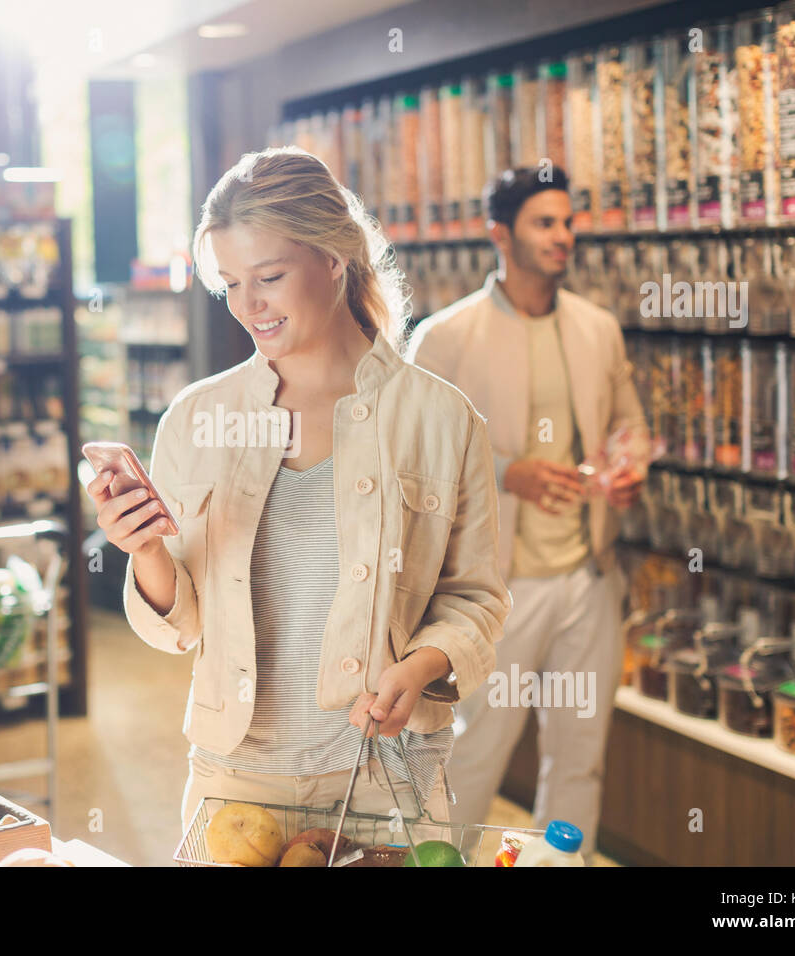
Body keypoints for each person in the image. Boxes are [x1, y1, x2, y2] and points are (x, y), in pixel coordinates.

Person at [84, 146, 512, 836]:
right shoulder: (196, 418)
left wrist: (425, 664)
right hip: (236, 780)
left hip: (386, 779)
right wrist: (144, 551)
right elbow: (181, 626)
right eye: (229, 285)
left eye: (270, 277)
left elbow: (477, 600)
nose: (248, 306)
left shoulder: (441, 418)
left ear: (333, 258)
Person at [404, 166, 647, 860]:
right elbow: (412, 461)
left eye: (568, 222)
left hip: (588, 579)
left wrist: (628, 469)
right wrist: (510, 472)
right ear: (499, 235)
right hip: (496, 592)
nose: (563, 236)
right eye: (545, 223)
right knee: (476, 752)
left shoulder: (597, 329)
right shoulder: (446, 338)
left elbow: (629, 425)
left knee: (579, 759)